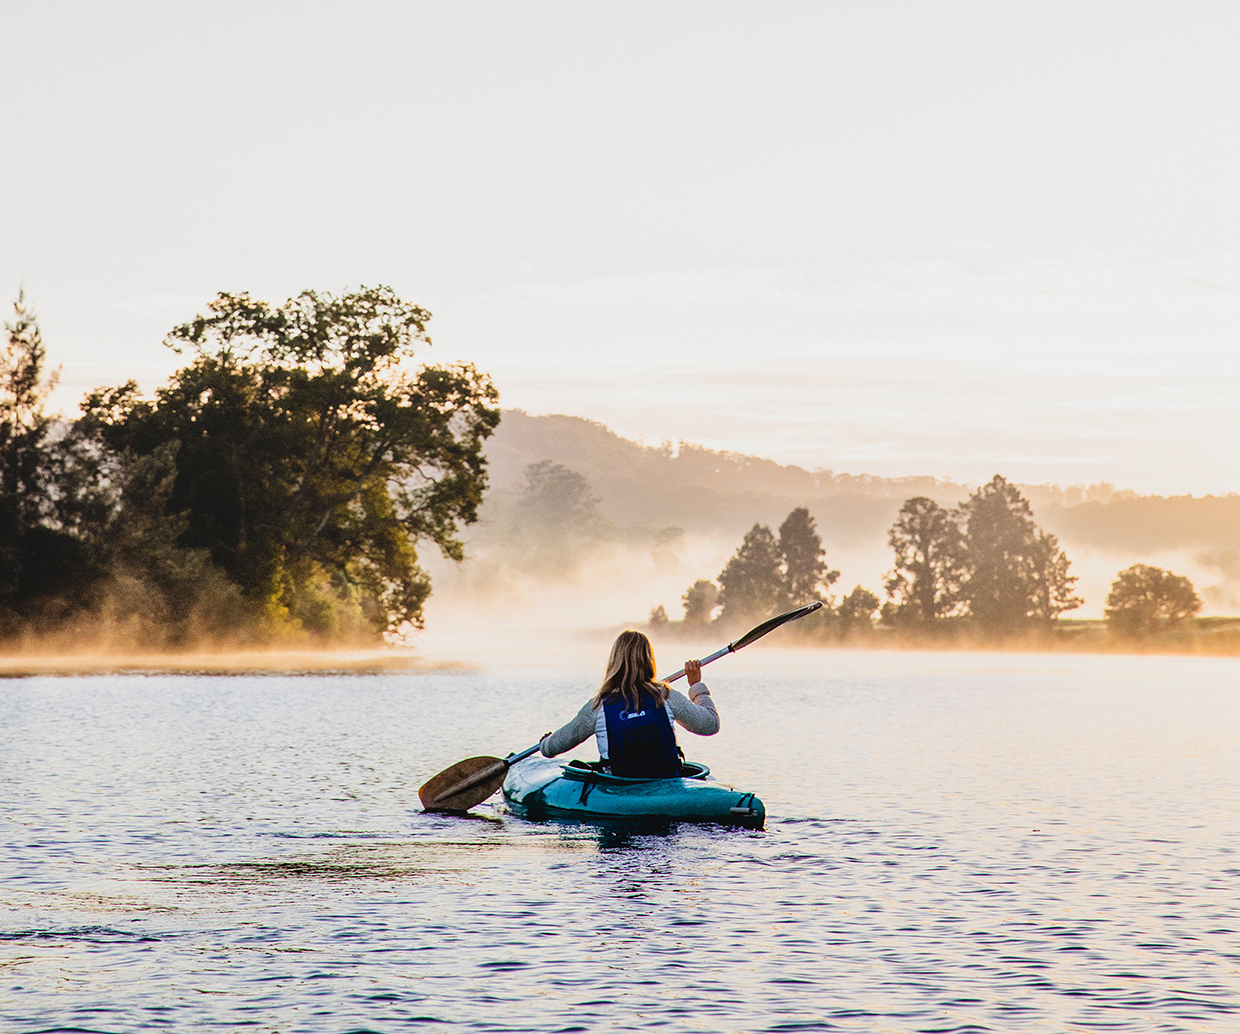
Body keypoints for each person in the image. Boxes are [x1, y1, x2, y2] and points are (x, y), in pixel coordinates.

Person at [539, 629, 720, 777]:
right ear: (649, 661)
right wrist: (696, 685)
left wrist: (545, 743)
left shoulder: (597, 707)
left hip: (621, 787)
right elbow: (709, 724)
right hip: (665, 782)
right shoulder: (665, 695)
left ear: (614, 661)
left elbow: (553, 747)